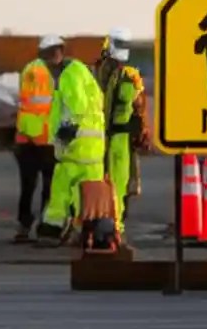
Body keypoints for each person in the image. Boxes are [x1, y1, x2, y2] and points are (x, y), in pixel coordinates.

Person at [37, 46, 107, 244]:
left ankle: (54, 230)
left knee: (66, 190)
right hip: (90, 150)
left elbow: (75, 108)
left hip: (76, 147)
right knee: (85, 194)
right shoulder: (83, 76)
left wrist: (65, 133)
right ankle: (84, 231)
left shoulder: (70, 75)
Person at [95, 27, 149, 234]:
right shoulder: (118, 74)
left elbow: (138, 107)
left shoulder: (125, 76)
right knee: (112, 182)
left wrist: (142, 130)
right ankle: (110, 223)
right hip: (108, 137)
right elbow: (140, 108)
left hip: (117, 139)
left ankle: (114, 225)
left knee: (117, 182)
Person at [12, 35, 62, 242]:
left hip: (37, 140)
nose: (59, 53)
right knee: (40, 186)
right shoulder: (38, 71)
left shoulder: (43, 71)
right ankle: (36, 225)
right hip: (37, 140)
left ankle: (32, 225)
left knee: (34, 186)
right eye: (56, 49)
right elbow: (34, 108)